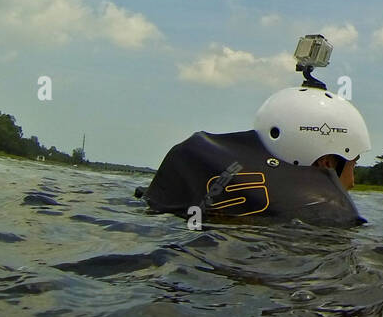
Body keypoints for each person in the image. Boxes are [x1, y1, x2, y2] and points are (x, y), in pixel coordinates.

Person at [138, 83, 370, 226]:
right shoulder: (324, 214)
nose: (353, 182)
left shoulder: (204, 167)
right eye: (353, 164)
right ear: (326, 162)